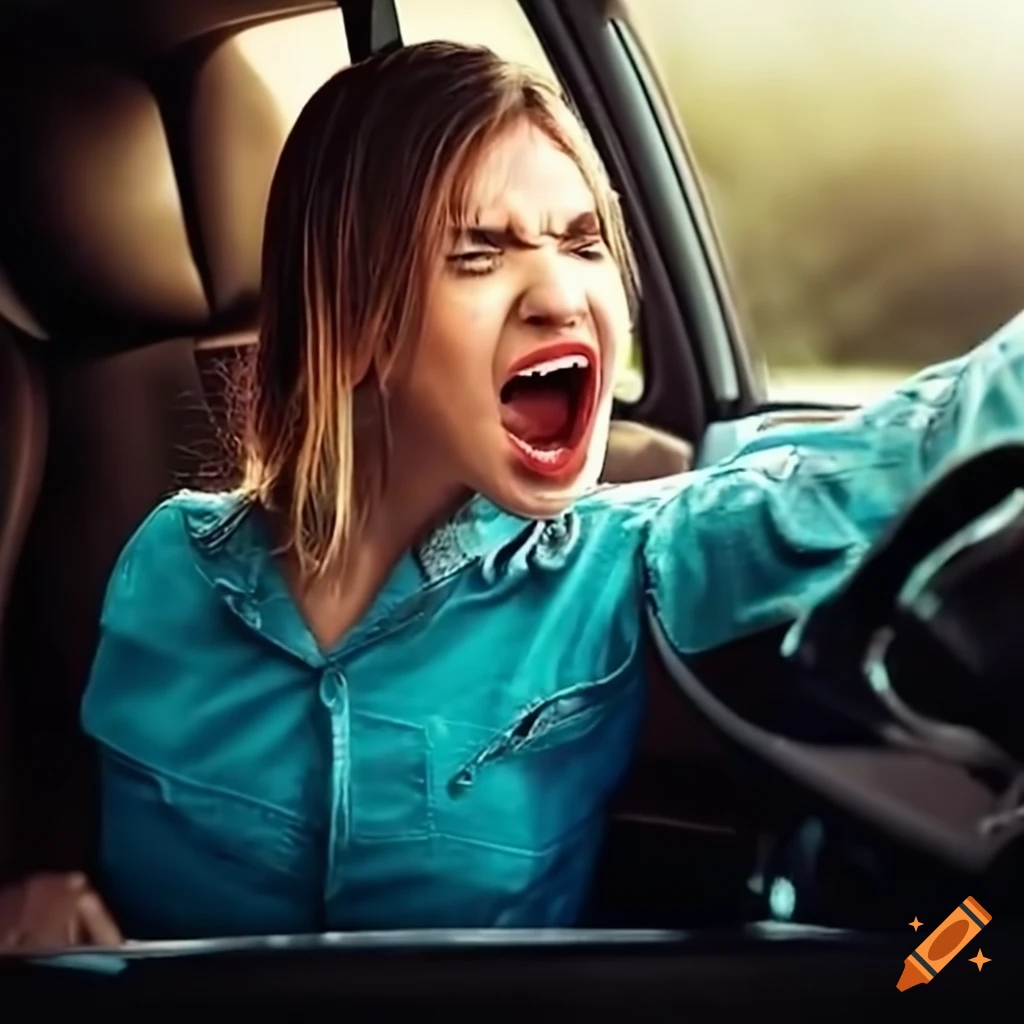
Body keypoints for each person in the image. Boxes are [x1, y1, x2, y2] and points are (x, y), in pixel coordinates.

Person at [4, 41, 1024, 950]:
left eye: (582, 244)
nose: (558, 295)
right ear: (353, 317)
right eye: (478, 255)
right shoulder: (160, 562)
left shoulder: (623, 562)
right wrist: (42, 897)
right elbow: (71, 834)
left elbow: (910, 448)